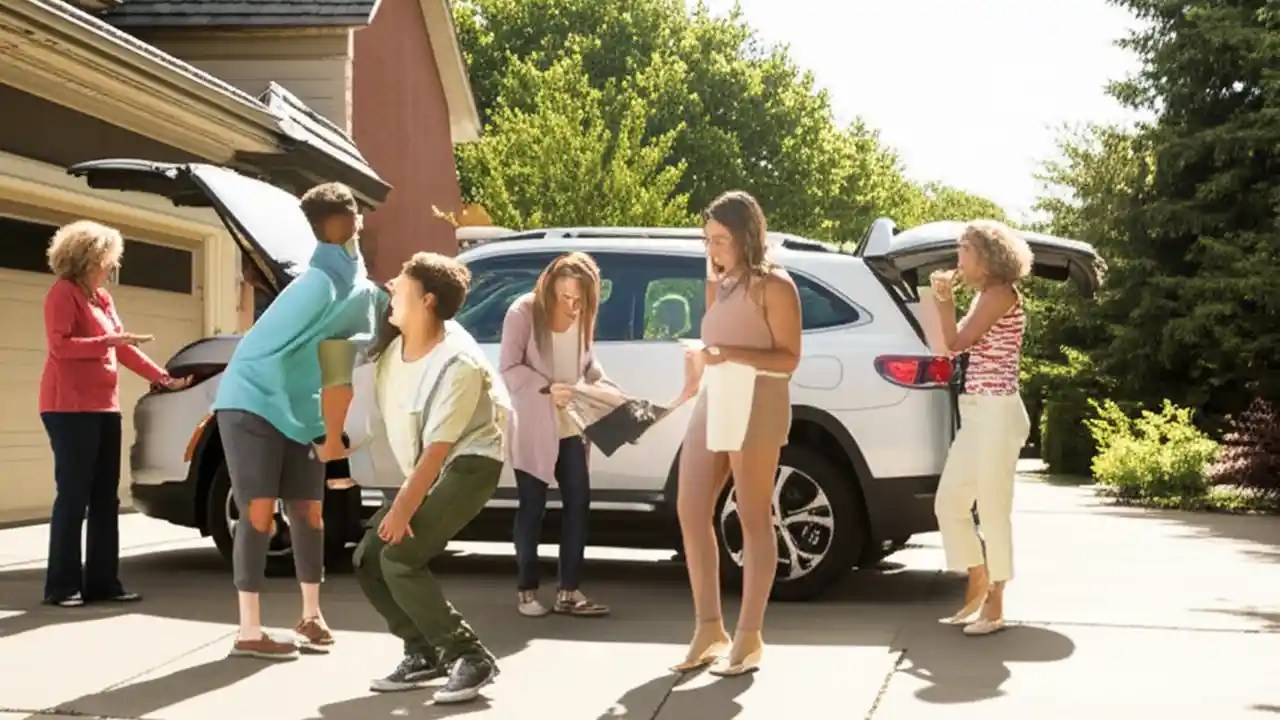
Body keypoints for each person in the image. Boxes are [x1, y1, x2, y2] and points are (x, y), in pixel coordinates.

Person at [212, 182, 384, 660]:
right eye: (343, 214)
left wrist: (326, 431)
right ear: (326, 226)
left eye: (352, 211)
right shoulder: (317, 285)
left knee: (309, 511)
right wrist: (324, 431)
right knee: (259, 514)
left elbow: (337, 365)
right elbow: (276, 356)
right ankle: (249, 631)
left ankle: (311, 616)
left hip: (298, 407)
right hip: (253, 402)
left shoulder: (357, 287)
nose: (352, 221)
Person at [355, 252, 507, 704]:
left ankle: (469, 655)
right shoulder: (391, 355)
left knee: (399, 556)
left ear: (426, 300)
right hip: (430, 468)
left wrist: (402, 509)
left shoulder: (457, 364)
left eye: (399, 286)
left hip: (470, 463)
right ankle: (423, 653)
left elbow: (438, 452)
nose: (389, 291)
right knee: (368, 560)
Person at [673, 190, 802, 676]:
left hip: (759, 400)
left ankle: (749, 636)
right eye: (708, 240)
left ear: (747, 236)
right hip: (717, 396)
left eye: (721, 240)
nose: (713, 249)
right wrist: (700, 361)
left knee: (752, 515)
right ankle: (709, 627)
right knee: (690, 508)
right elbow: (714, 343)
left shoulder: (777, 285)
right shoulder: (717, 283)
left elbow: (789, 358)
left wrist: (730, 354)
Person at [39, 220, 192, 607]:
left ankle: (103, 583)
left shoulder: (102, 298)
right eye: (110, 258)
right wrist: (109, 340)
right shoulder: (63, 294)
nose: (113, 265)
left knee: (105, 497)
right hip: (68, 407)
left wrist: (163, 379)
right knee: (74, 496)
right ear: (89, 256)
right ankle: (62, 587)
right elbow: (62, 348)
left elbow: (123, 349)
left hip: (104, 406)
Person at [929, 220, 1033, 636]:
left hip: (997, 412)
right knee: (949, 502)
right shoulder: (987, 296)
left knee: (992, 509)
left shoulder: (1001, 295)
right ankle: (977, 577)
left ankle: (996, 603)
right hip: (980, 412)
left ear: (987, 257)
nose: (959, 258)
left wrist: (942, 300)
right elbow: (952, 346)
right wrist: (944, 302)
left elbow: (956, 342)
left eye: (964, 250)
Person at [500, 252, 612, 618]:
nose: (572, 305)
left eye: (579, 299)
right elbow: (509, 368)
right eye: (565, 297)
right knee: (532, 508)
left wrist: (603, 384)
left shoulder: (583, 316)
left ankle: (569, 591)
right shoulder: (523, 312)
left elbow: (586, 362)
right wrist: (549, 388)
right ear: (550, 289)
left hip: (572, 426)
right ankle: (527, 592)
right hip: (534, 425)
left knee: (578, 504)